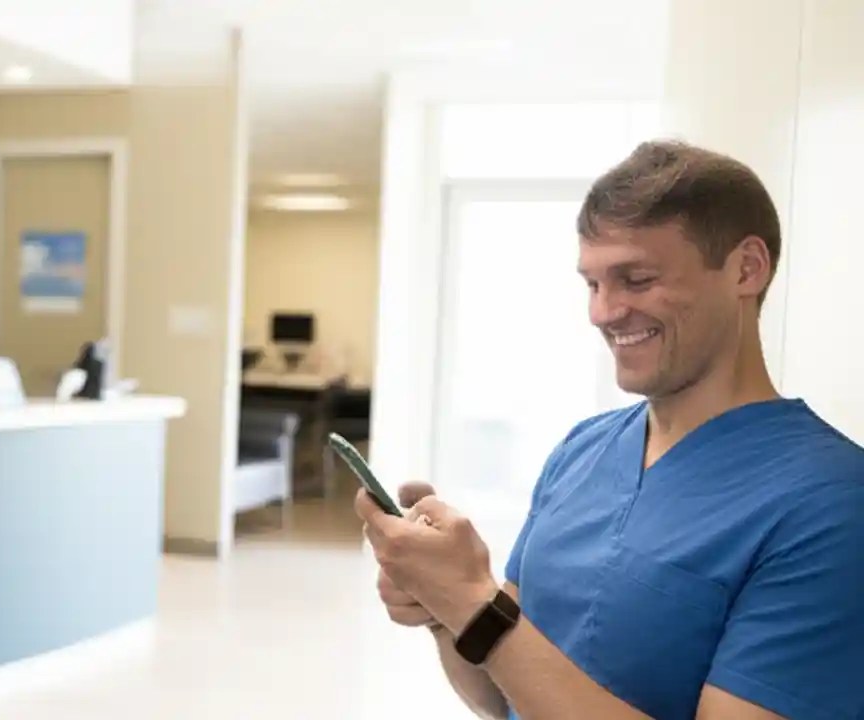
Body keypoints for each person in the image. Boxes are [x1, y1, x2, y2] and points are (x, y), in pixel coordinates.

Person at [356, 140, 864, 720]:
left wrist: (474, 608)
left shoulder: (834, 506)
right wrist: (443, 610)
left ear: (746, 268)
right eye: (593, 284)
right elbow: (502, 697)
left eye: (637, 279)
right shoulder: (583, 451)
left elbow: (494, 633)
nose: (603, 312)